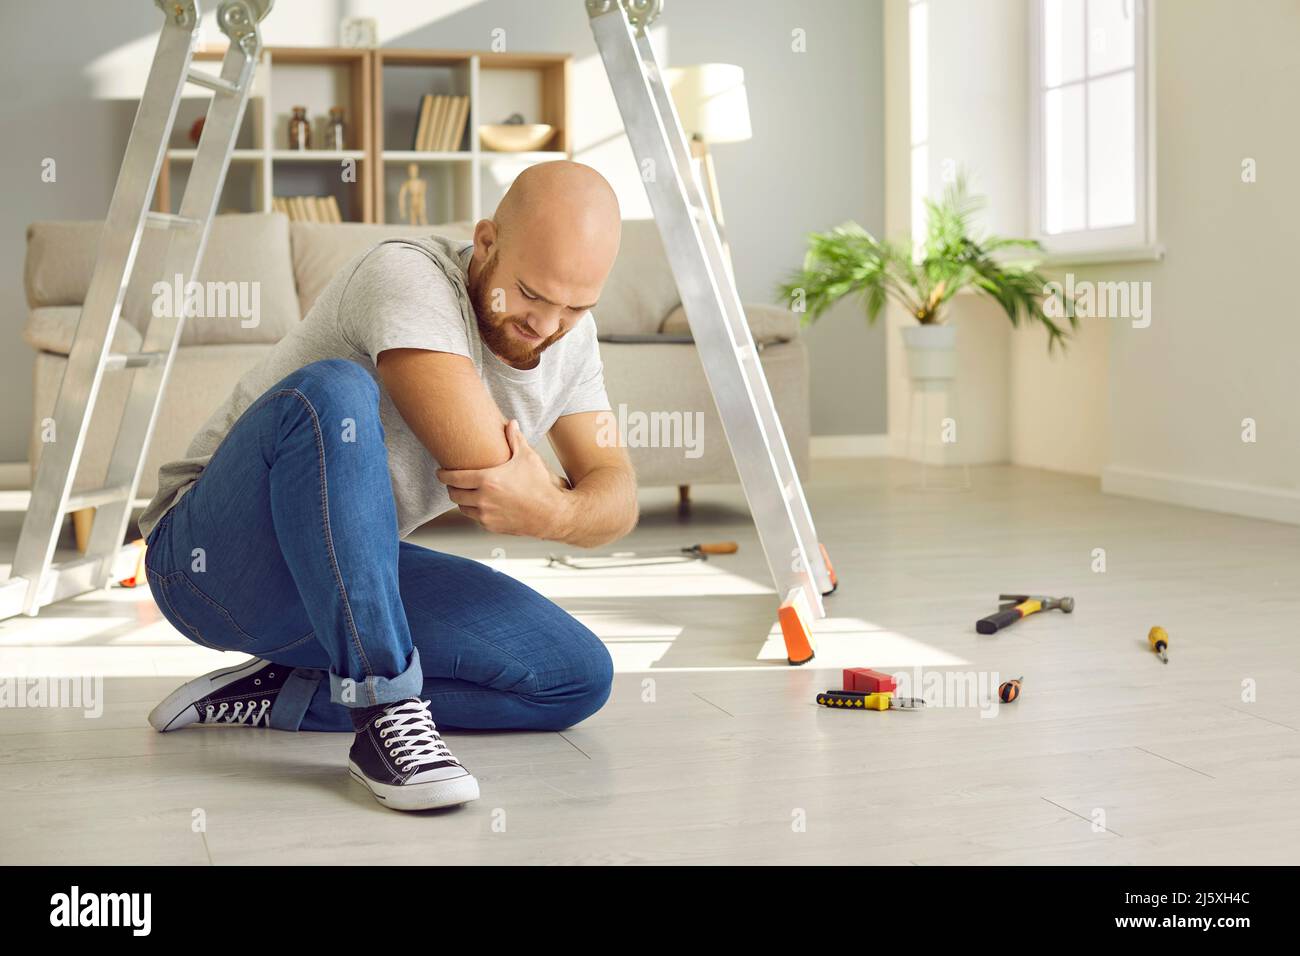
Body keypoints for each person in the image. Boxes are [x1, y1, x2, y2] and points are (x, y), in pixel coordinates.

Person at [137, 161, 636, 812]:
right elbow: (483, 463)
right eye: (530, 294)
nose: (547, 325)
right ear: (485, 241)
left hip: (340, 576)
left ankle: (290, 691)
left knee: (573, 676)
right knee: (335, 392)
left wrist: (550, 509)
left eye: (576, 307)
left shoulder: (572, 338)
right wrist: (567, 504)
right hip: (208, 565)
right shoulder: (404, 275)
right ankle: (384, 714)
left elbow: (618, 494)